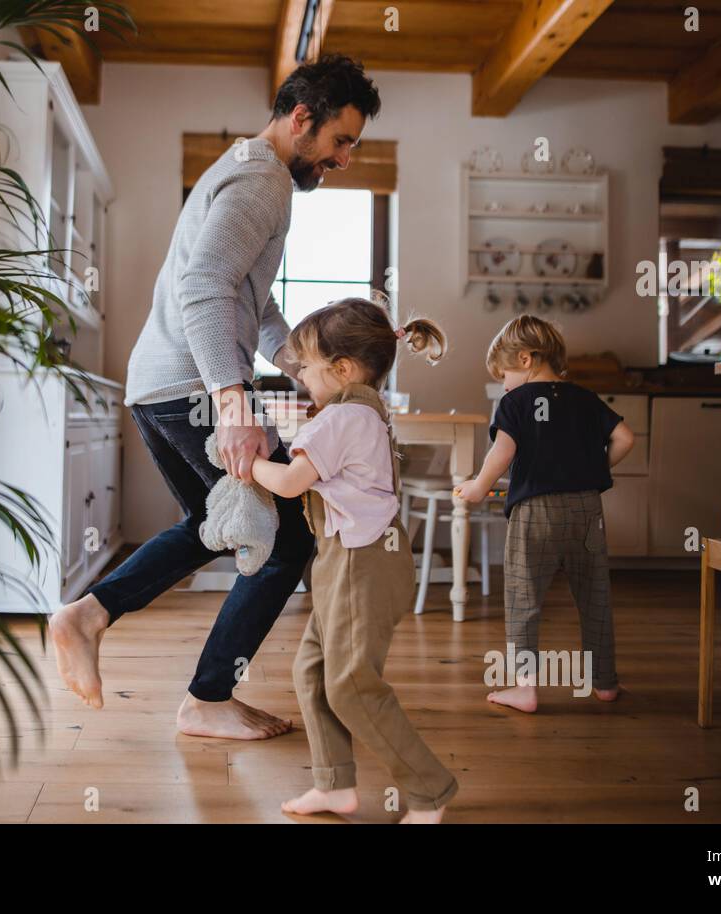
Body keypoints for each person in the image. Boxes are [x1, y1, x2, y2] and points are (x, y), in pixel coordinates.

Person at [49, 56, 382, 740]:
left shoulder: (244, 168)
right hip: (192, 386)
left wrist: (313, 370)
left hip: (164, 383)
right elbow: (203, 290)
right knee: (287, 541)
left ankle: (89, 615)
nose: (345, 158)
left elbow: (245, 304)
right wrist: (233, 407)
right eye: (341, 140)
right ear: (301, 119)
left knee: (213, 522)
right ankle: (206, 698)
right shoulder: (262, 183)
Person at [251, 297, 458, 822]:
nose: (299, 377)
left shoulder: (338, 419)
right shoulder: (366, 411)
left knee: (350, 683)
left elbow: (291, 482)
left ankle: (429, 790)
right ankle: (334, 784)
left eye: (305, 367)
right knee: (314, 671)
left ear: (342, 370)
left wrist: (248, 464)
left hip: (358, 564)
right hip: (358, 558)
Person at [458, 315, 635, 713]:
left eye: (503, 373)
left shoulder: (514, 403)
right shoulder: (585, 398)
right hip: (588, 511)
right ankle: (605, 683)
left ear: (525, 359)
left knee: (524, 598)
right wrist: (595, 470)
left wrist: (477, 487)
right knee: (595, 596)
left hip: (535, 512)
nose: (503, 384)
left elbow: (501, 454)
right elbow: (625, 438)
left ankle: (525, 687)